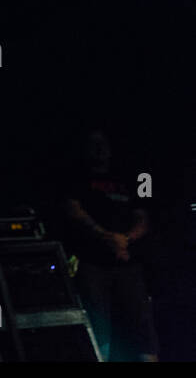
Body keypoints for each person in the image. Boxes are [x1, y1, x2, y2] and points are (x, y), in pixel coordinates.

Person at [58, 129, 158, 361]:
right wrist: (106, 236)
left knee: (142, 325)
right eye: (93, 144)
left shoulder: (129, 178)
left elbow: (143, 216)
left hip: (128, 264)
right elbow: (73, 211)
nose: (99, 149)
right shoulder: (76, 178)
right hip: (92, 263)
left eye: (103, 143)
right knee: (97, 326)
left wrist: (126, 240)